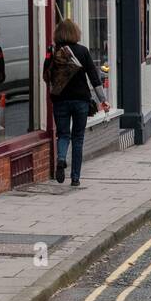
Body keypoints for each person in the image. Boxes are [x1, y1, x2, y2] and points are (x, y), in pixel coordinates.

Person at [43, 18, 108, 186]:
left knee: (63, 134)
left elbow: (46, 76)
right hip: (81, 101)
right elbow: (94, 78)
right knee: (78, 138)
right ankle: (75, 178)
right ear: (75, 33)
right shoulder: (83, 51)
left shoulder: (53, 51)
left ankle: (61, 158)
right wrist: (103, 100)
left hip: (60, 100)